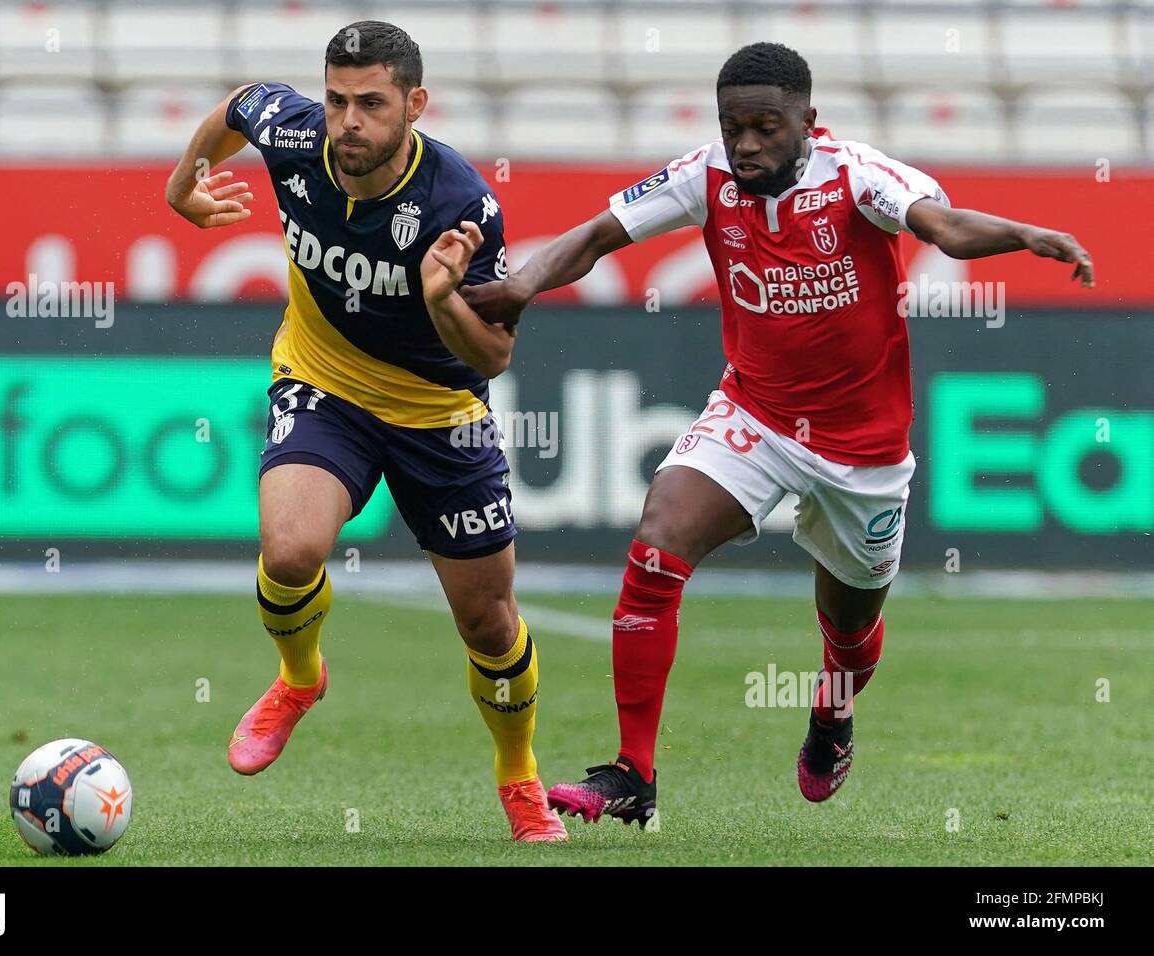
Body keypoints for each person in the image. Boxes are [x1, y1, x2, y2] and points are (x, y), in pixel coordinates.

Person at [463, 41, 1093, 823]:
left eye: (767, 126)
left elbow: (947, 228)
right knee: (657, 544)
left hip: (861, 452)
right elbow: (595, 236)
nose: (749, 143)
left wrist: (1027, 236)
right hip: (753, 414)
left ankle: (832, 707)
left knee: (852, 633)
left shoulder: (857, 174)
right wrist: (522, 284)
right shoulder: (705, 175)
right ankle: (634, 772)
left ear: (809, 122)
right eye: (736, 127)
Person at [164, 20, 566, 842]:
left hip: (438, 414)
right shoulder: (295, 133)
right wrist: (183, 186)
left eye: (372, 104)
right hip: (325, 384)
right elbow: (237, 108)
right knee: (288, 550)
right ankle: (299, 678)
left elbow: (492, 356)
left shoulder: (461, 204)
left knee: (488, 623)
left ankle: (519, 775)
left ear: (414, 105)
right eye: (338, 99)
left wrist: (444, 297)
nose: (348, 121)